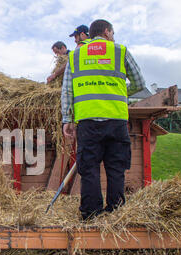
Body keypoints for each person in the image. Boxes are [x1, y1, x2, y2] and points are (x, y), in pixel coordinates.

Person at [61, 20, 146, 221]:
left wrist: (67, 118)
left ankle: (91, 214)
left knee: (89, 169)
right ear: (107, 31)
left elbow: (67, 90)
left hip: (88, 122)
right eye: (113, 32)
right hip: (116, 121)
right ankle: (115, 213)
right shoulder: (120, 51)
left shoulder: (75, 56)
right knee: (116, 167)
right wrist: (120, 93)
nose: (113, 36)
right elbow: (140, 83)